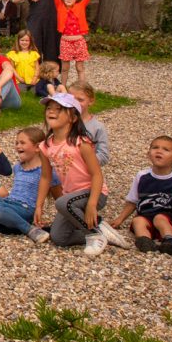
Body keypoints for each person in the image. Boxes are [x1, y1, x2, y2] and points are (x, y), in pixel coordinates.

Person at [37, 93, 114, 253]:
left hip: (94, 193)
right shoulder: (45, 146)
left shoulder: (82, 143)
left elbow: (97, 175)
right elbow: (46, 177)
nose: (51, 111)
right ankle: (100, 229)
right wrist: (39, 205)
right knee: (58, 238)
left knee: (62, 203)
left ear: (72, 118)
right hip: (69, 198)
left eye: (59, 109)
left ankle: (93, 234)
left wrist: (92, 204)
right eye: (49, 108)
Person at [0, 126, 51, 237]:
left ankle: (29, 229)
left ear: (37, 147)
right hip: (9, 203)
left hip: (26, 209)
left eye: (22, 143)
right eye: (16, 143)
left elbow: (56, 191)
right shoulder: (18, 167)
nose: (18, 146)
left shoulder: (45, 171)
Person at [111, 136, 172, 255]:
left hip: (169, 220)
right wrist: (120, 219)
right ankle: (145, 241)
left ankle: (169, 240)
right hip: (146, 217)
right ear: (148, 154)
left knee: (160, 218)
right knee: (138, 220)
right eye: (155, 148)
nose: (159, 151)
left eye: (166, 150)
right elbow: (133, 201)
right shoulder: (142, 176)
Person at [55, 0, 95, 87]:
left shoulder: (80, 6)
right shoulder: (60, 6)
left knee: (80, 67)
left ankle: (82, 87)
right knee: (64, 68)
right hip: (65, 41)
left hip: (79, 41)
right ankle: (62, 87)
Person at [72, 82, 111, 166]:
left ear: (91, 101)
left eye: (80, 100)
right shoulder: (63, 122)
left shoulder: (97, 127)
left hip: (85, 174)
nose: (75, 103)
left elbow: (103, 155)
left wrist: (80, 162)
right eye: (72, 99)